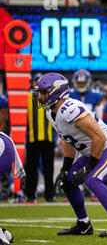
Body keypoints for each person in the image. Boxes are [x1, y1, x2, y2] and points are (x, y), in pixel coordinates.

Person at [34, 73, 107, 237]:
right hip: (95, 150)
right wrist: (65, 168)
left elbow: (99, 137)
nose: (40, 96)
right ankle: (83, 224)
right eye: (40, 92)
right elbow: (68, 141)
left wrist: (88, 167)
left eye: (44, 92)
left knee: (92, 179)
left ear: (57, 92)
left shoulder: (70, 109)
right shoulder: (51, 113)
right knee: (67, 181)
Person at [70, 69, 103, 202]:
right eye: (79, 82)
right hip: (74, 133)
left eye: (83, 82)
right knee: (74, 163)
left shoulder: (96, 96)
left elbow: (99, 117)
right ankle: (76, 190)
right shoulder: (70, 94)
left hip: (91, 134)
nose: (81, 84)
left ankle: (92, 190)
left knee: (92, 162)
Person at [24, 73, 56, 203]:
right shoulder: (27, 97)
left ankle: (50, 195)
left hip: (48, 139)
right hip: (32, 139)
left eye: (40, 81)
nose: (38, 83)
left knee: (49, 170)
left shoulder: (51, 97)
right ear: (32, 83)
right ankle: (30, 195)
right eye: (36, 81)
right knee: (30, 169)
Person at [0, 93, 12, 200]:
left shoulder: (2, 100)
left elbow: (2, 120)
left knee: (3, 164)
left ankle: (5, 192)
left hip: (2, 136)